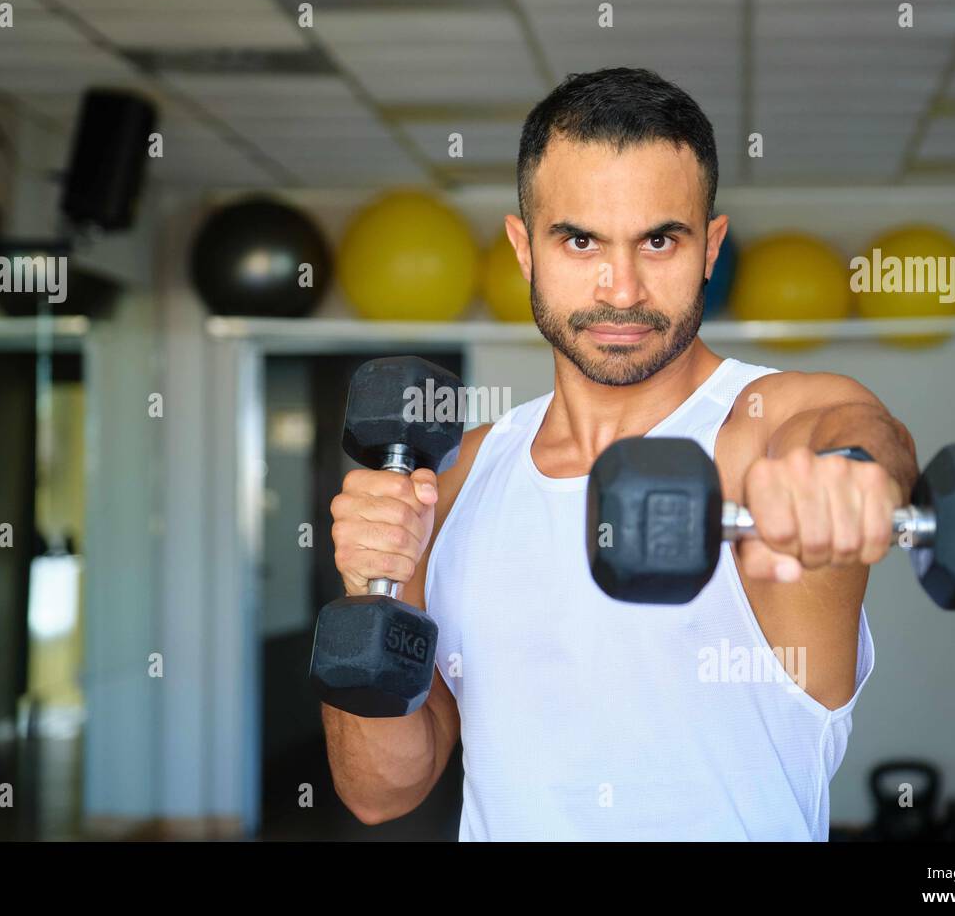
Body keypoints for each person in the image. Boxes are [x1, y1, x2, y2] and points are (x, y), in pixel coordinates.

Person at [322, 67, 916, 840]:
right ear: (523, 249)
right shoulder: (457, 480)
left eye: (660, 239)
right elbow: (380, 794)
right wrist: (370, 590)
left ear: (711, 247)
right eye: (579, 239)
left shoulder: (757, 435)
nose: (622, 289)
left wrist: (847, 477)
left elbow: (855, 425)